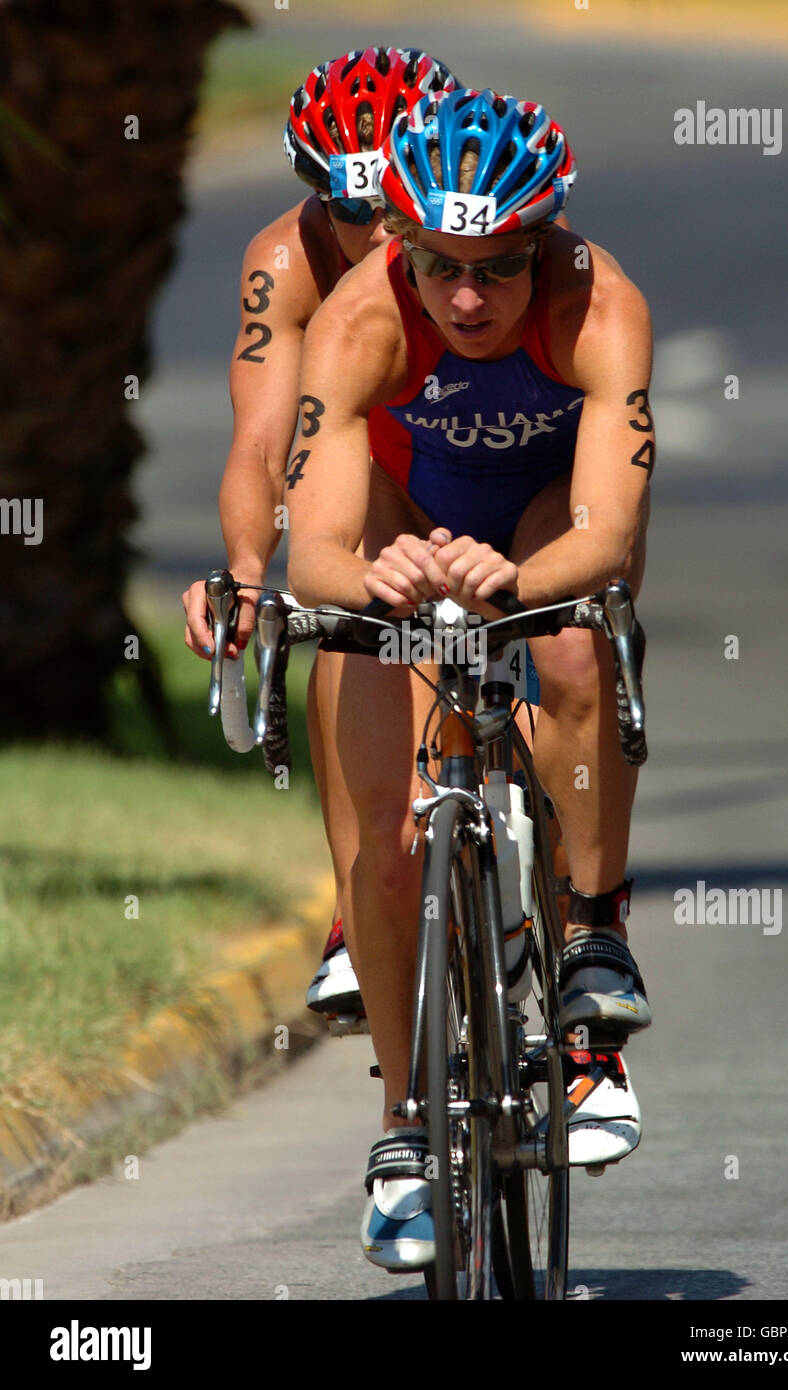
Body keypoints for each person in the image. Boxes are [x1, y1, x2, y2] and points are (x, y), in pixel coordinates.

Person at [286, 86, 655, 1271]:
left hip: (545, 521)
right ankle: (403, 1121)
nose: (466, 297)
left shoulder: (598, 308)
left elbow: (605, 535)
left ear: (541, 240)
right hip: (406, 519)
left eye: (498, 267)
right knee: (387, 851)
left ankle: (592, 950)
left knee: (567, 637)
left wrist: (513, 580)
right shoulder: (358, 323)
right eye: (440, 264)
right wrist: (374, 571)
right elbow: (314, 553)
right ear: (397, 242)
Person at [182, 48, 458, 1028]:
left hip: (472, 467)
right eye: (344, 209)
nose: (368, 232)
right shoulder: (286, 260)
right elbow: (260, 439)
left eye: (387, 206)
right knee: (345, 613)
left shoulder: (465, 248)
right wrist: (247, 574)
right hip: (362, 477)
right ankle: (358, 902)